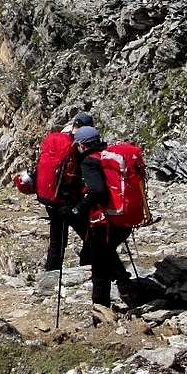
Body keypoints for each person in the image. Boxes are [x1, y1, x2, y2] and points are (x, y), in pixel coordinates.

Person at [67, 125, 136, 322]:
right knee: (105, 258)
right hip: (122, 220)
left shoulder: (89, 162)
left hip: (103, 224)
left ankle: (100, 313)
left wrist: (78, 208)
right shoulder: (107, 156)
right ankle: (126, 287)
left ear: (82, 145)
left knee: (99, 270)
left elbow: (98, 191)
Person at [43, 111, 94, 271]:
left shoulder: (55, 139)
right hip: (70, 198)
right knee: (89, 234)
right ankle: (87, 267)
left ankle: (51, 273)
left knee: (57, 239)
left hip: (51, 197)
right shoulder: (79, 143)